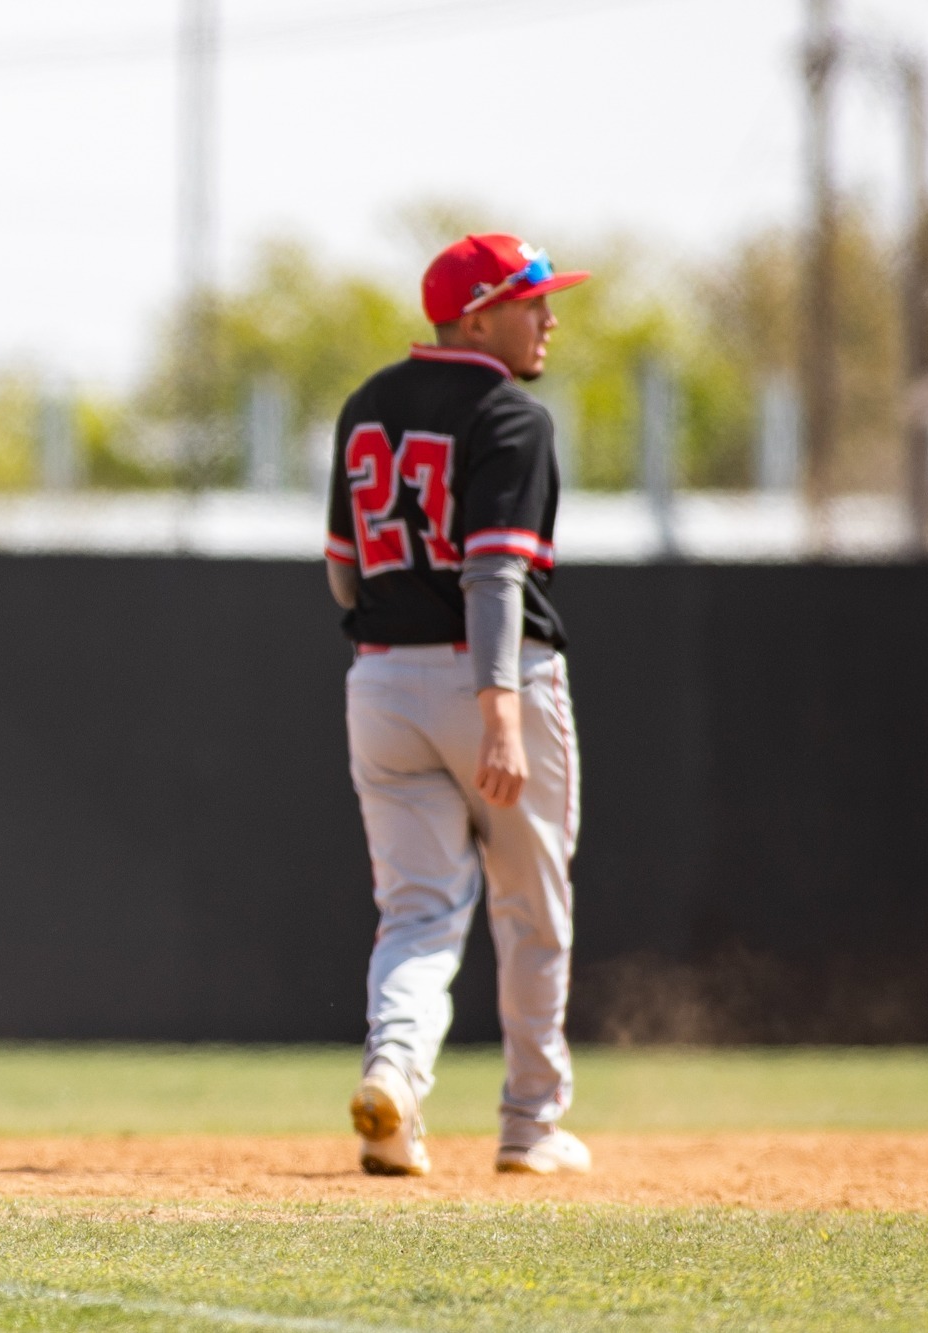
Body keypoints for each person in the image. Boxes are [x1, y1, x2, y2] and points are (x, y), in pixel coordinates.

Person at [324, 234, 589, 1177]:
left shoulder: (365, 406)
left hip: (381, 680)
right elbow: (491, 571)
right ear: (477, 316)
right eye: (531, 301)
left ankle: (394, 1083)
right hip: (494, 679)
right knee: (532, 905)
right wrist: (499, 708)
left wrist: (392, 658)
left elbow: (344, 572)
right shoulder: (511, 415)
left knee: (419, 912)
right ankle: (530, 1124)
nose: (549, 318)